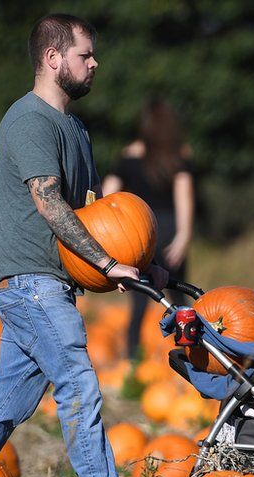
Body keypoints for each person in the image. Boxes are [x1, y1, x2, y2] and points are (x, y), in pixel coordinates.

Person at [0, 13, 167, 477]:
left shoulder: (73, 127)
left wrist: (144, 264)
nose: (95, 63)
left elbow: (95, 214)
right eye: (85, 55)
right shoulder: (28, 121)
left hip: (51, 282)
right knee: (78, 383)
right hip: (29, 281)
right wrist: (105, 261)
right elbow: (49, 203)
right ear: (53, 59)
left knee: (11, 394)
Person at [102, 97, 195, 359]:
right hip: (170, 230)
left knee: (140, 301)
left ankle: (132, 356)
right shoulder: (179, 156)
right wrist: (184, 236)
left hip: (141, 230)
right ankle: (192, 355)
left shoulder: (129, 156)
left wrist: (114, 232)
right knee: (180, 301)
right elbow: (184, 196)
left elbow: (108, 194)